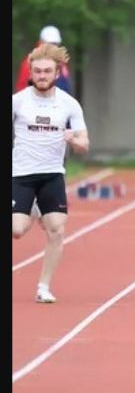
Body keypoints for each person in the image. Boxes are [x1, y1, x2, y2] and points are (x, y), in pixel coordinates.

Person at [12, 43, 90, 303]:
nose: (42, 76)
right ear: (30, 73)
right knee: (17, 230)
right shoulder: (18, 102)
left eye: (47, 71)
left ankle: (43, 287)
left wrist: (74, 140)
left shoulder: (69, 105)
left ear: (57, 73)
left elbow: (84, 143)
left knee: (56, 229)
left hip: (52, 173)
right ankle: (32, 209)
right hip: (20, 173)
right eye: (37, 71)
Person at [15, 26, 74, 94]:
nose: (52, 46)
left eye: (55, 44)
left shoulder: (61, 63)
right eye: (50, 43)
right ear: (41, 42)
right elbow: (22, 88)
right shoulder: (29, 62)